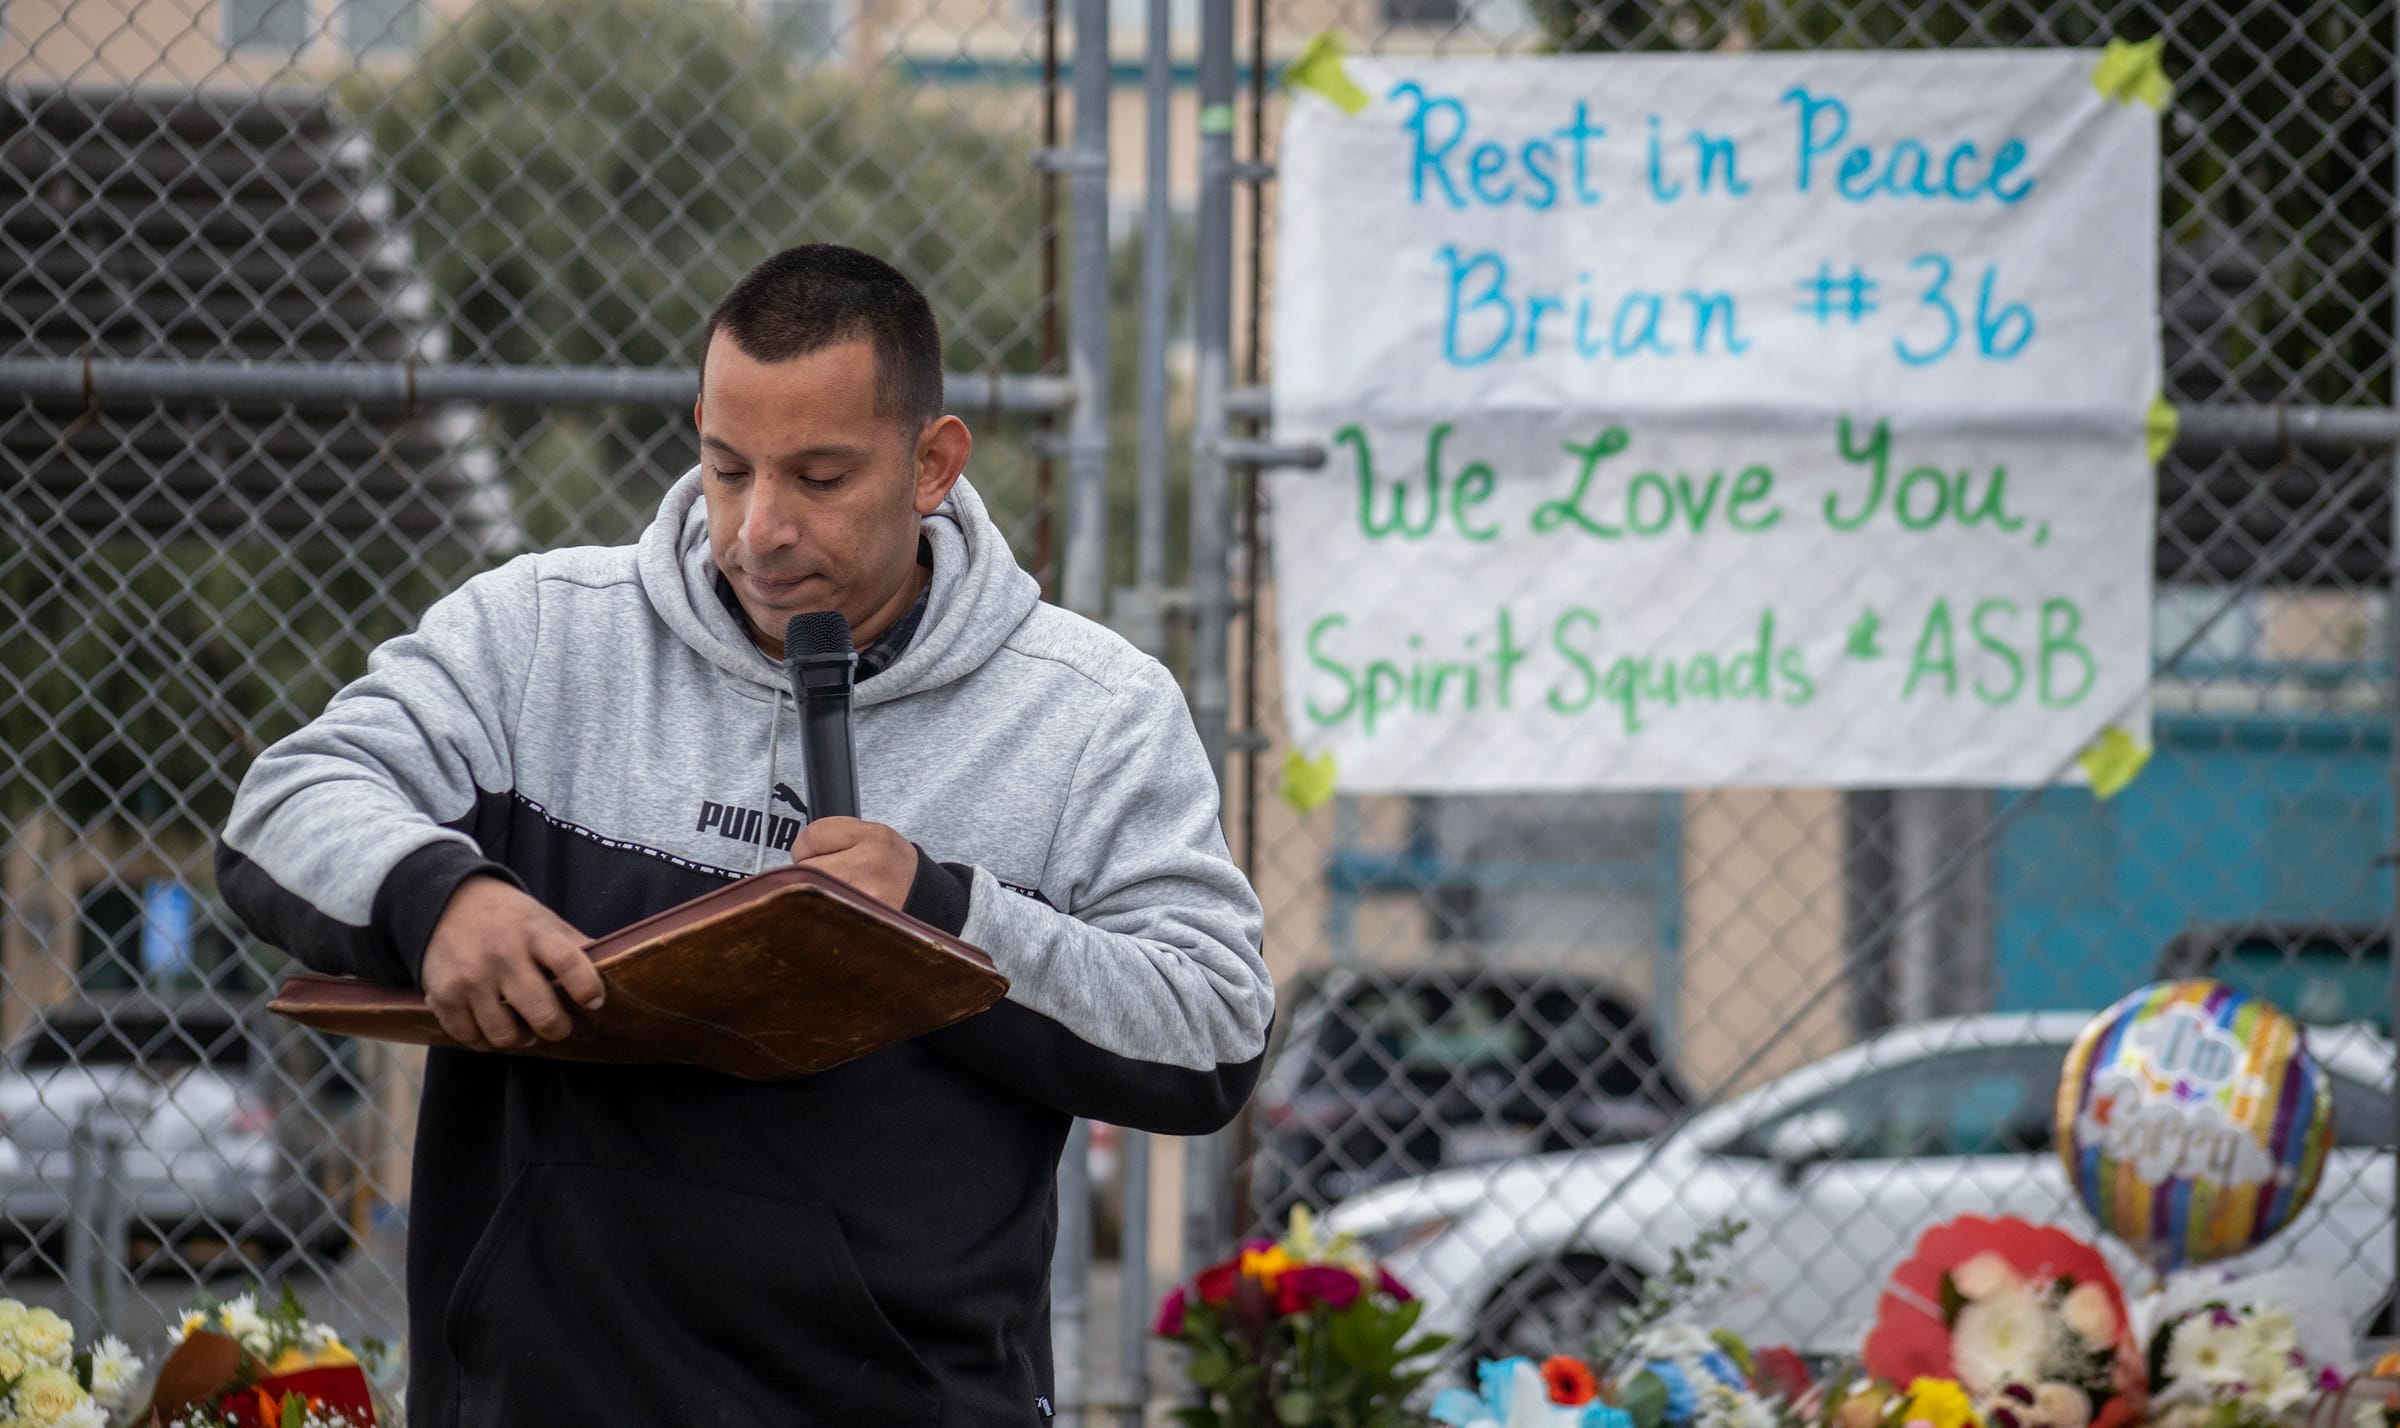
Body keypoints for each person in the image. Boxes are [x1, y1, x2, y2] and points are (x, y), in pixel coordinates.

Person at [216, 244, 1273, 1426]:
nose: (757, 530)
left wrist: (938, 914)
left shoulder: (1090, 712)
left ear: (933, 463)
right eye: (727, 469)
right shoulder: (543, 636)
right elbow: (289, 802)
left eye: (820, 477)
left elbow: (1214, 1026)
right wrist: (441, 899)